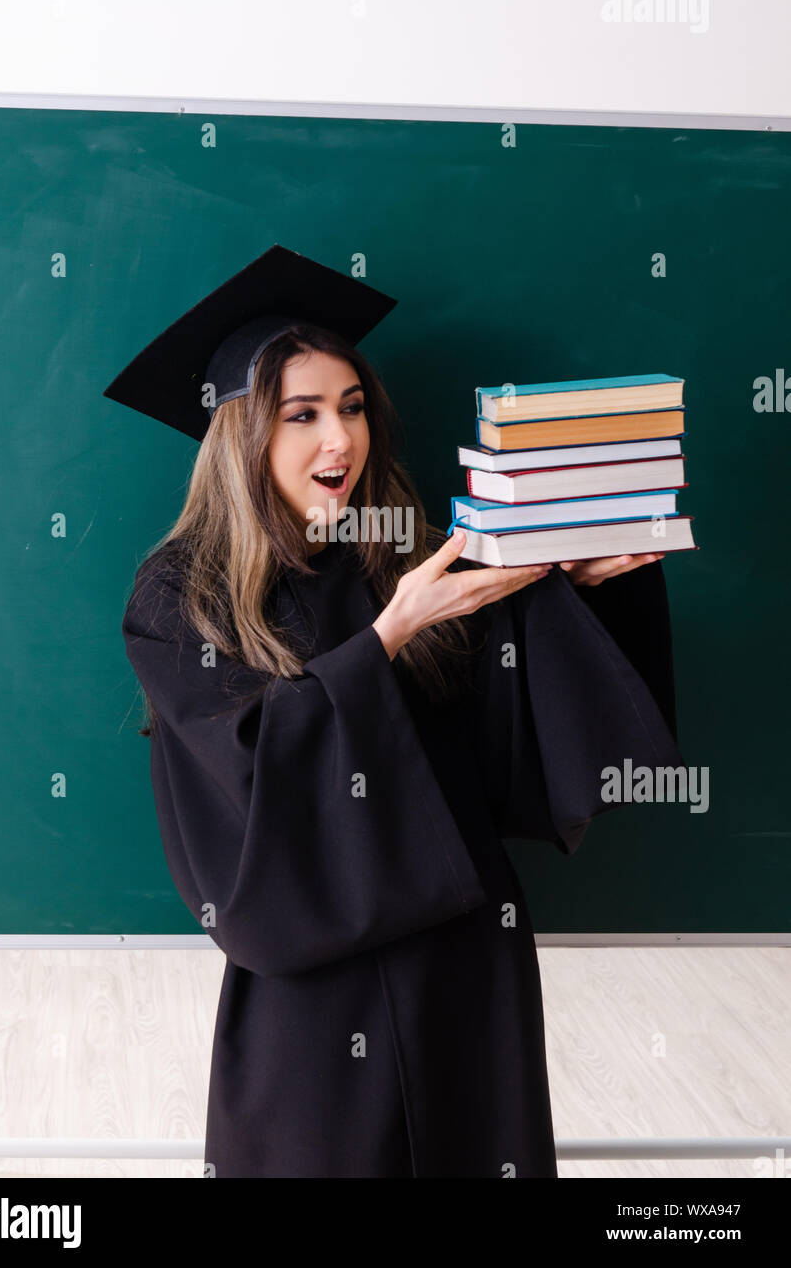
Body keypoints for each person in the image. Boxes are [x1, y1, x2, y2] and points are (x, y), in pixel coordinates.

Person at [105, 245, 684, 1178]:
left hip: (464, 957)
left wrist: (577, 591)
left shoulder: (403, 553)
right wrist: (385, 639)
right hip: (309, 977)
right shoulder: (183, 597)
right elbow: (250, 764)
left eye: (352, 406)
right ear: (240, 435)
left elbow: (505, 745)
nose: (340, 439)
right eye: (301, 416)